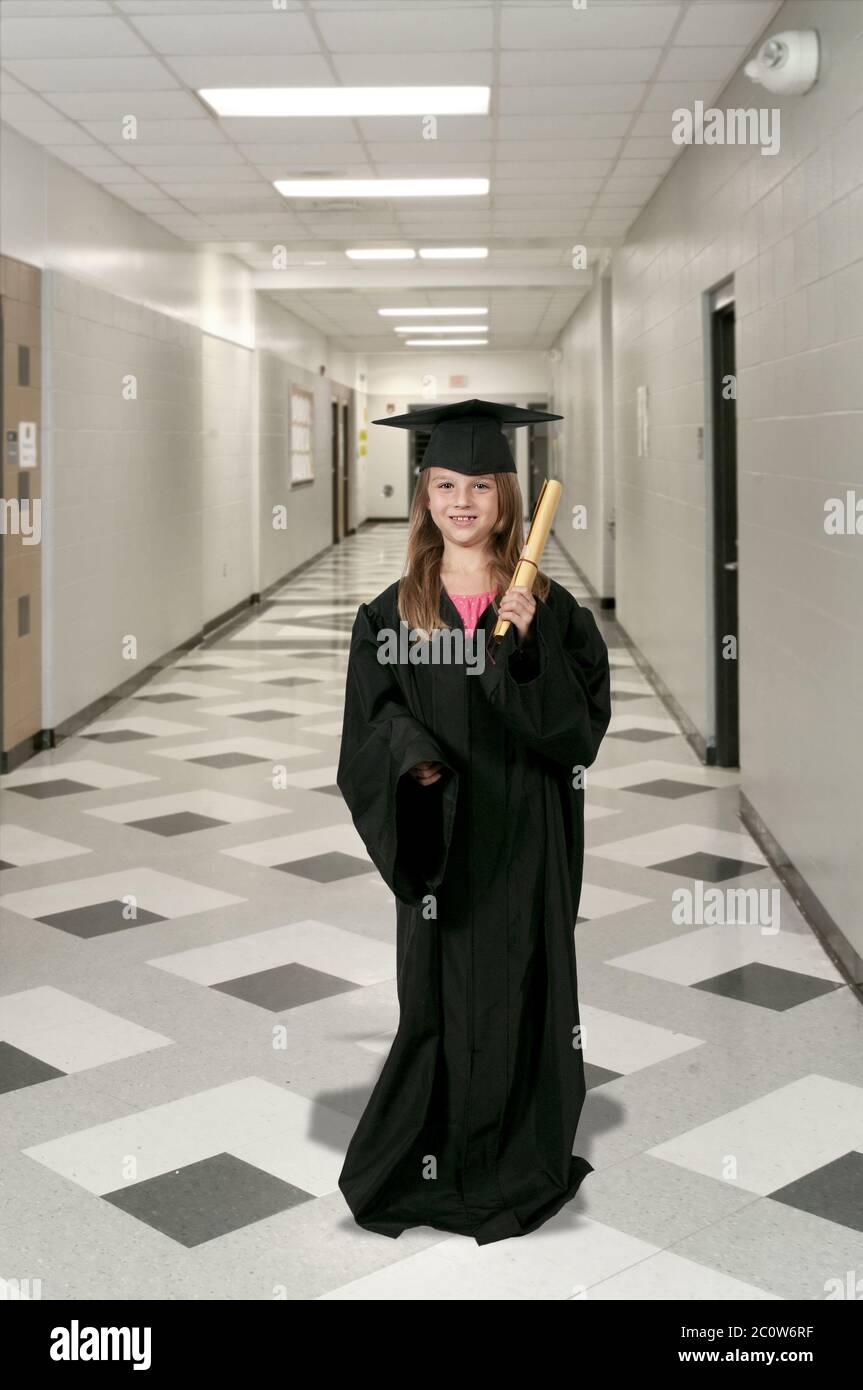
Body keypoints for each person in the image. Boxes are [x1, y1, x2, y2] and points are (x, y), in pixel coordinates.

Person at [336, 399, 612, 1245]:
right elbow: (367, 725)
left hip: (524, 829)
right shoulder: (390, 615)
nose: (463, 501)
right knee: (438, 992)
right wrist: (412, 757)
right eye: (446, 484)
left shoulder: (548, 605)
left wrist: (526, 652)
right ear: (423, 495)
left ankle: (510, 1160)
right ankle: (431, 1155)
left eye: (481, 486)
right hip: (441, 834)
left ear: (507, 497)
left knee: (523, 986)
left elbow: (580, 729)